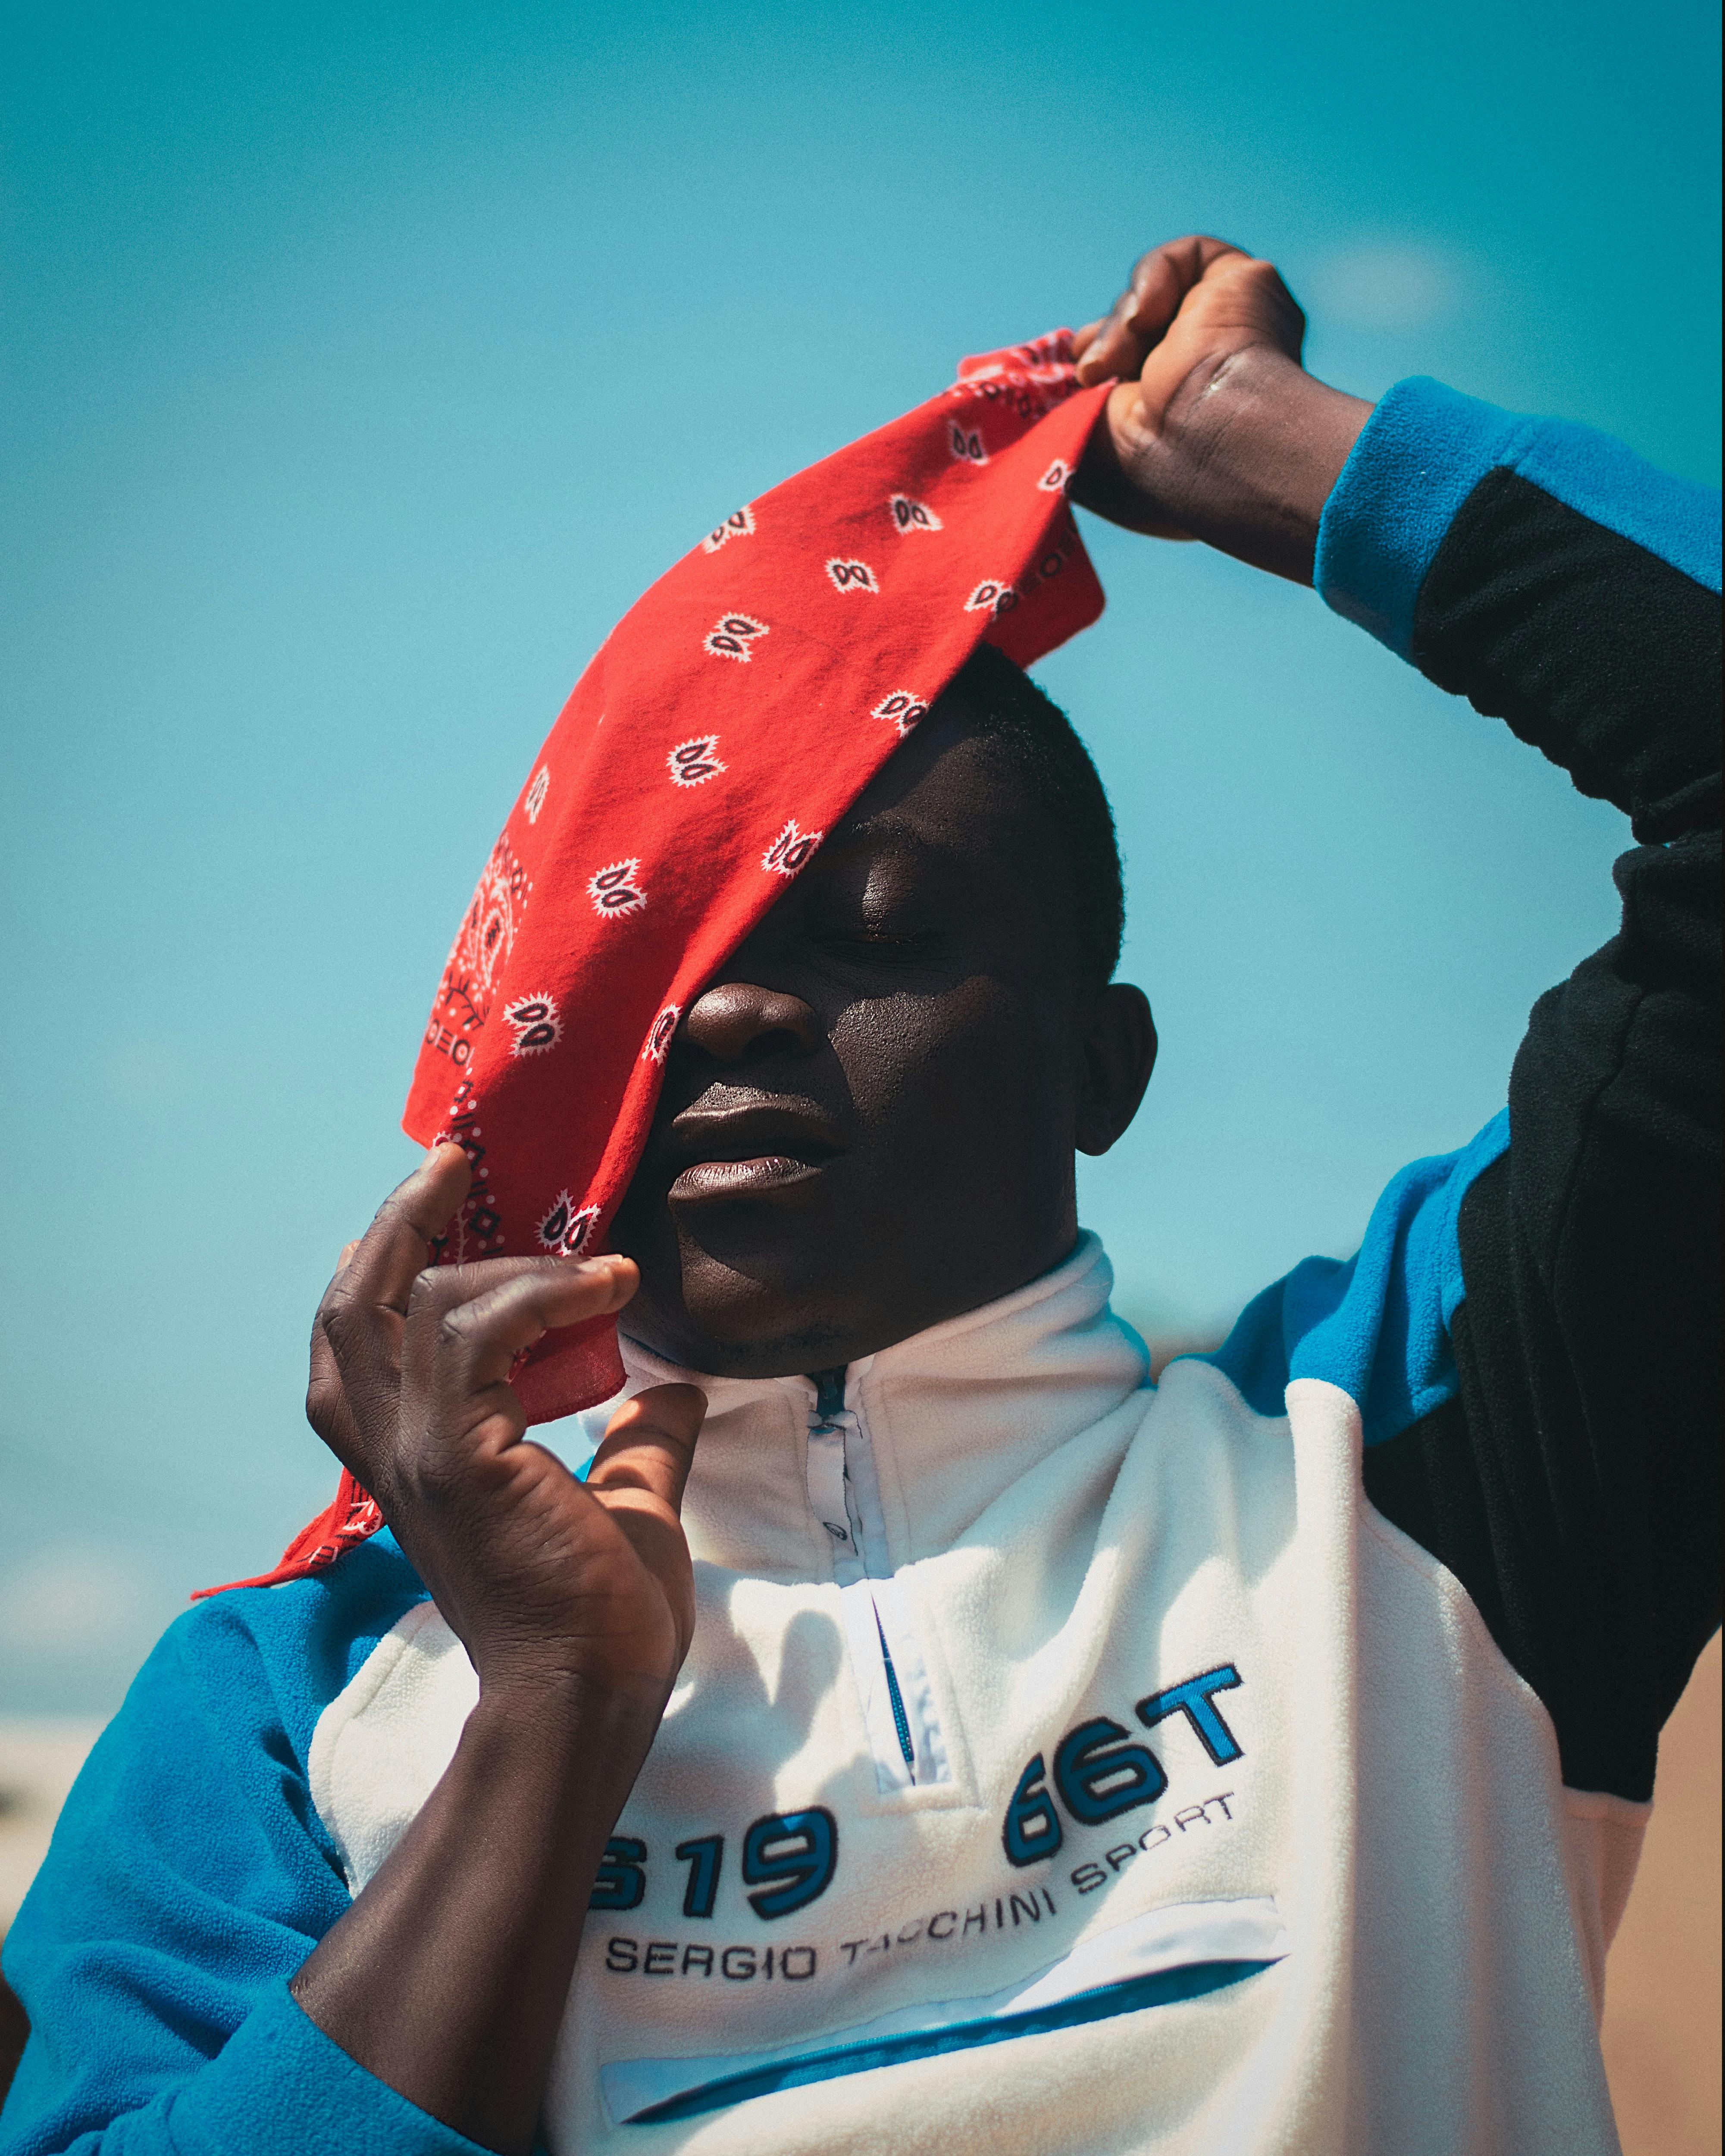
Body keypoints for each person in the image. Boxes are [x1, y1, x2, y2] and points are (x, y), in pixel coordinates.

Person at [0, 235, 1717, 2156]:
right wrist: (555, 1711)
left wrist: (1293, 454)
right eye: (665, 947)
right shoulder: (287, 1691)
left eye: (875, 924)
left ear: (1102, 1062)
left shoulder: (1420, 1442)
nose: (731, 1000)